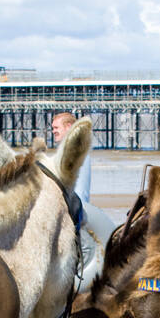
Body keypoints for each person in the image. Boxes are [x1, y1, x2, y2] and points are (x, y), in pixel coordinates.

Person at [51, 112, 114, 289]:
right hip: (70, 209)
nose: (53, 130)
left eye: (57, 127)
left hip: (76, 212)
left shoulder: (77, 151)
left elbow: (80, 191)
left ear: (69, 127)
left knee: (78, 250)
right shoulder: (65, 152)